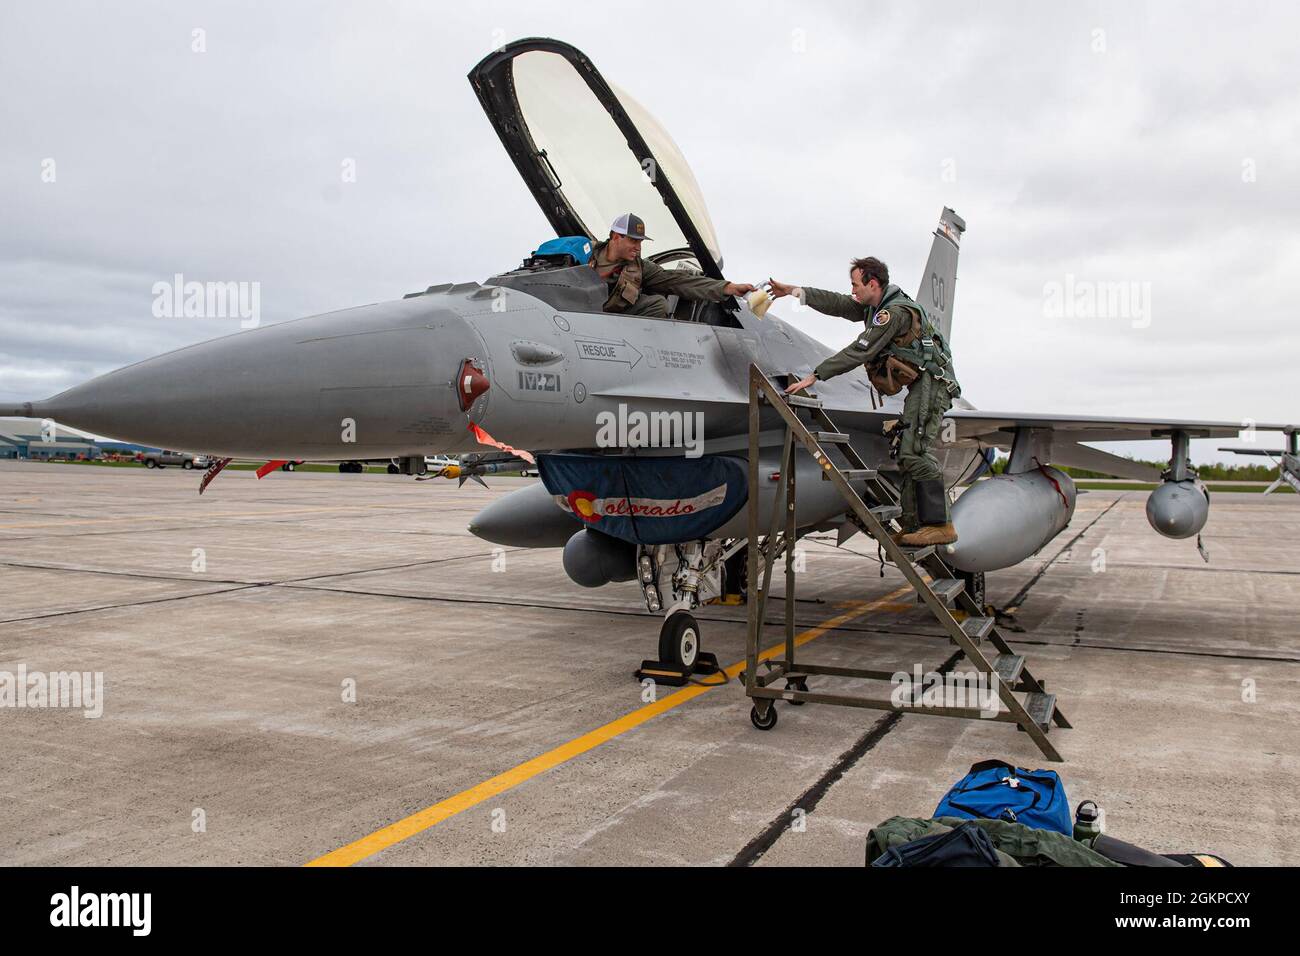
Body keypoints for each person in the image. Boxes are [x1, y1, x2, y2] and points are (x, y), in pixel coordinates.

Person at [771, 257, 960, 547]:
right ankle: (913, 526)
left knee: (915, 453)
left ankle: (940, 525)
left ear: (873, 284)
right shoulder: (875, 306)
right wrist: (795, 291)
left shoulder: (893, 313)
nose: (852, 290)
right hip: (920, 386)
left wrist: (816, 375)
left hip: (933, 384)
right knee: (906, 455)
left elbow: (861, 350)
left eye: (856, 284)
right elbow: (838, 304)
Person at [590, 213, 754, 317]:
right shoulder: (583, 252)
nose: (638, 248)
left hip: (608, 321)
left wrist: (728, 288)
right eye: (633, 241)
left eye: (640, 242)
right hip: (575, 314)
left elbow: (678, 281)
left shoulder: (639, 268)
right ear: (617, 237)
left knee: (657, 304)